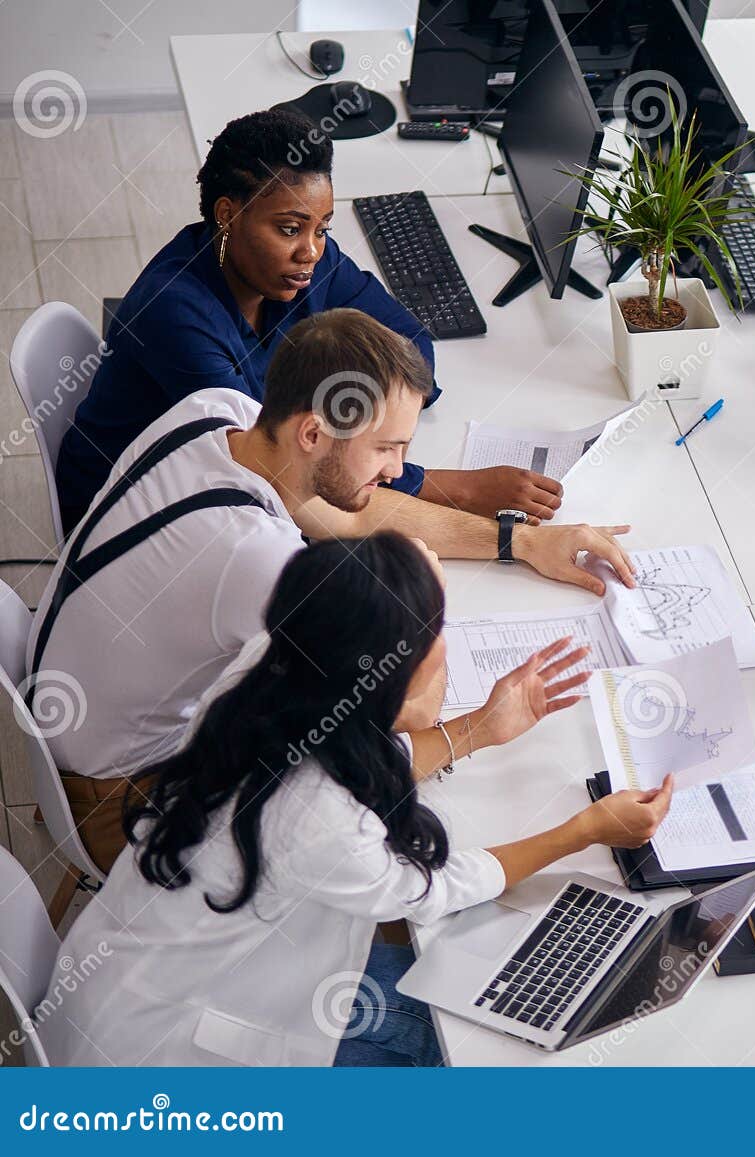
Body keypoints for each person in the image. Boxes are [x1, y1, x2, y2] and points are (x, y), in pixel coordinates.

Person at [28, 308, 633, 875]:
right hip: (123, 803)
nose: (396, 470)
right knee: (350, 791)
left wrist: (519, 541)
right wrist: (426, 604)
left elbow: (351, 514)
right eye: (385, 448)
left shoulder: (218, 412)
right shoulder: (255, 557)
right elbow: (400, 714)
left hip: (64, 697)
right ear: (314, 433)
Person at [37, 534, 674, 1066]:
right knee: (469, 1049)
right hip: (151, 1056)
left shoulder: (271, 667)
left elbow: (348, 758)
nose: (444, 646)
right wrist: (585, 830)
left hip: (128, 974)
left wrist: (480, 727)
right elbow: (432, 890)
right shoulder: (322, 825)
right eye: (433, 639)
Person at [54, 107, 562, 531]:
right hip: (128, 513)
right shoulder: (175, 314)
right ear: (227, 215)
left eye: (322, 228)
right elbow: (277, 465)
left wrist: (365, 434)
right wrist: (460, 489)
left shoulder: (301, 267)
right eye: (289, 228)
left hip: (228, 484)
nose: (311, 251)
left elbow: (409, 344)